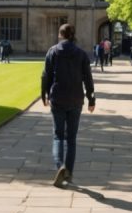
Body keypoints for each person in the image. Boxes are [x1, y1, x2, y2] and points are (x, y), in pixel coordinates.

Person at [41, 23, 95, 187]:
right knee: (71, 138)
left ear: (60, 35)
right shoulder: (81, 54)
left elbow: (46, 75)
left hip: (58, 98)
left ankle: (61, 166)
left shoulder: (53, 51)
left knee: (58, 135)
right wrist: (91, 99)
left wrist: (44, 94)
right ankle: (68, 173)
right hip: (76, 99)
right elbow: (88, 78)